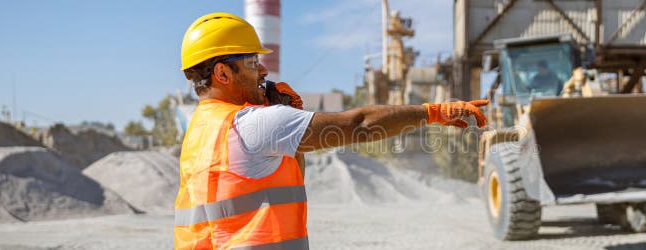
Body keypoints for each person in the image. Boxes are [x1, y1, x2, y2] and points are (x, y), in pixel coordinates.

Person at [174, 12, 489, 250]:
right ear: (223, 73)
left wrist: (288, 130)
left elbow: (274, 180)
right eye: (253, 61)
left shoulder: (200, 129)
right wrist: (435, 112)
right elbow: (359, 125)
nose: (264, 70)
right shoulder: (253, 124)